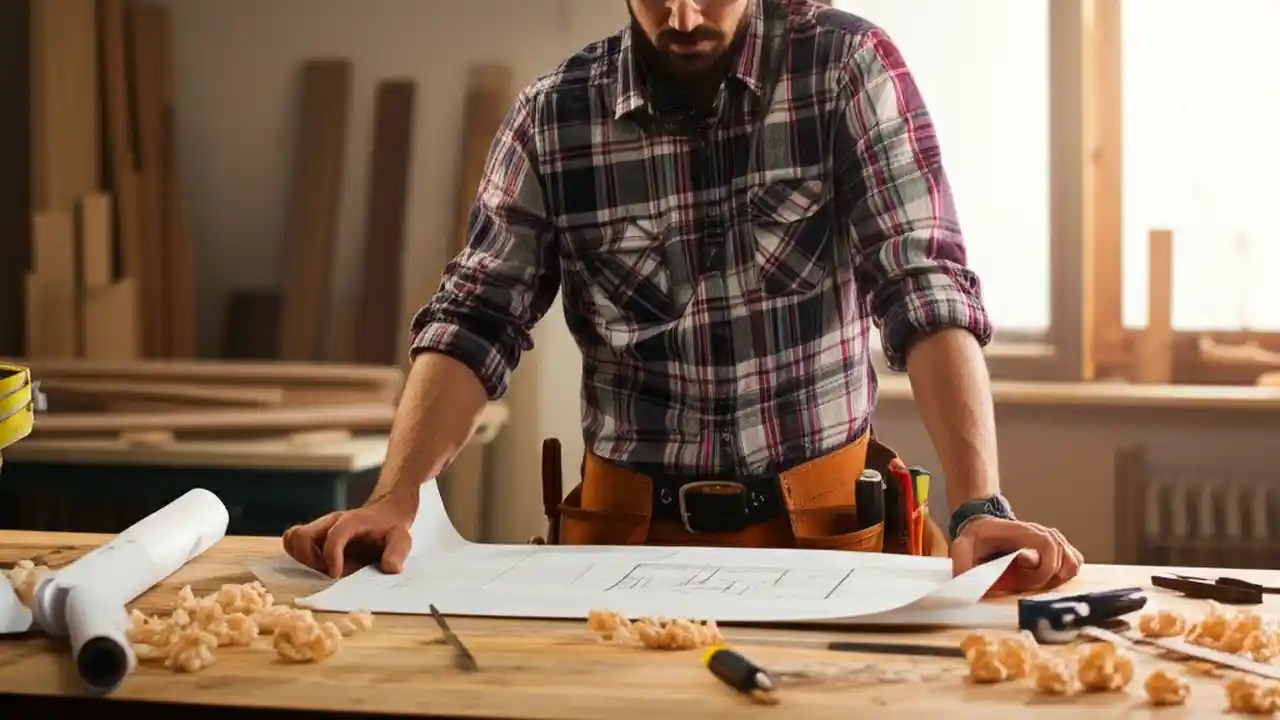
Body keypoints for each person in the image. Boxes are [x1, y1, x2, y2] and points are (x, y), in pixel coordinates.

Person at [283, 0, 1083, 593]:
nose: (685, 15)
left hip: (833, 536)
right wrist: (398, 499)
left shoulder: (846, 69)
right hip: (622, 541)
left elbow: (925, 289)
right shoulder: (553, 117)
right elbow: (473, 320)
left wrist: (979, 503)